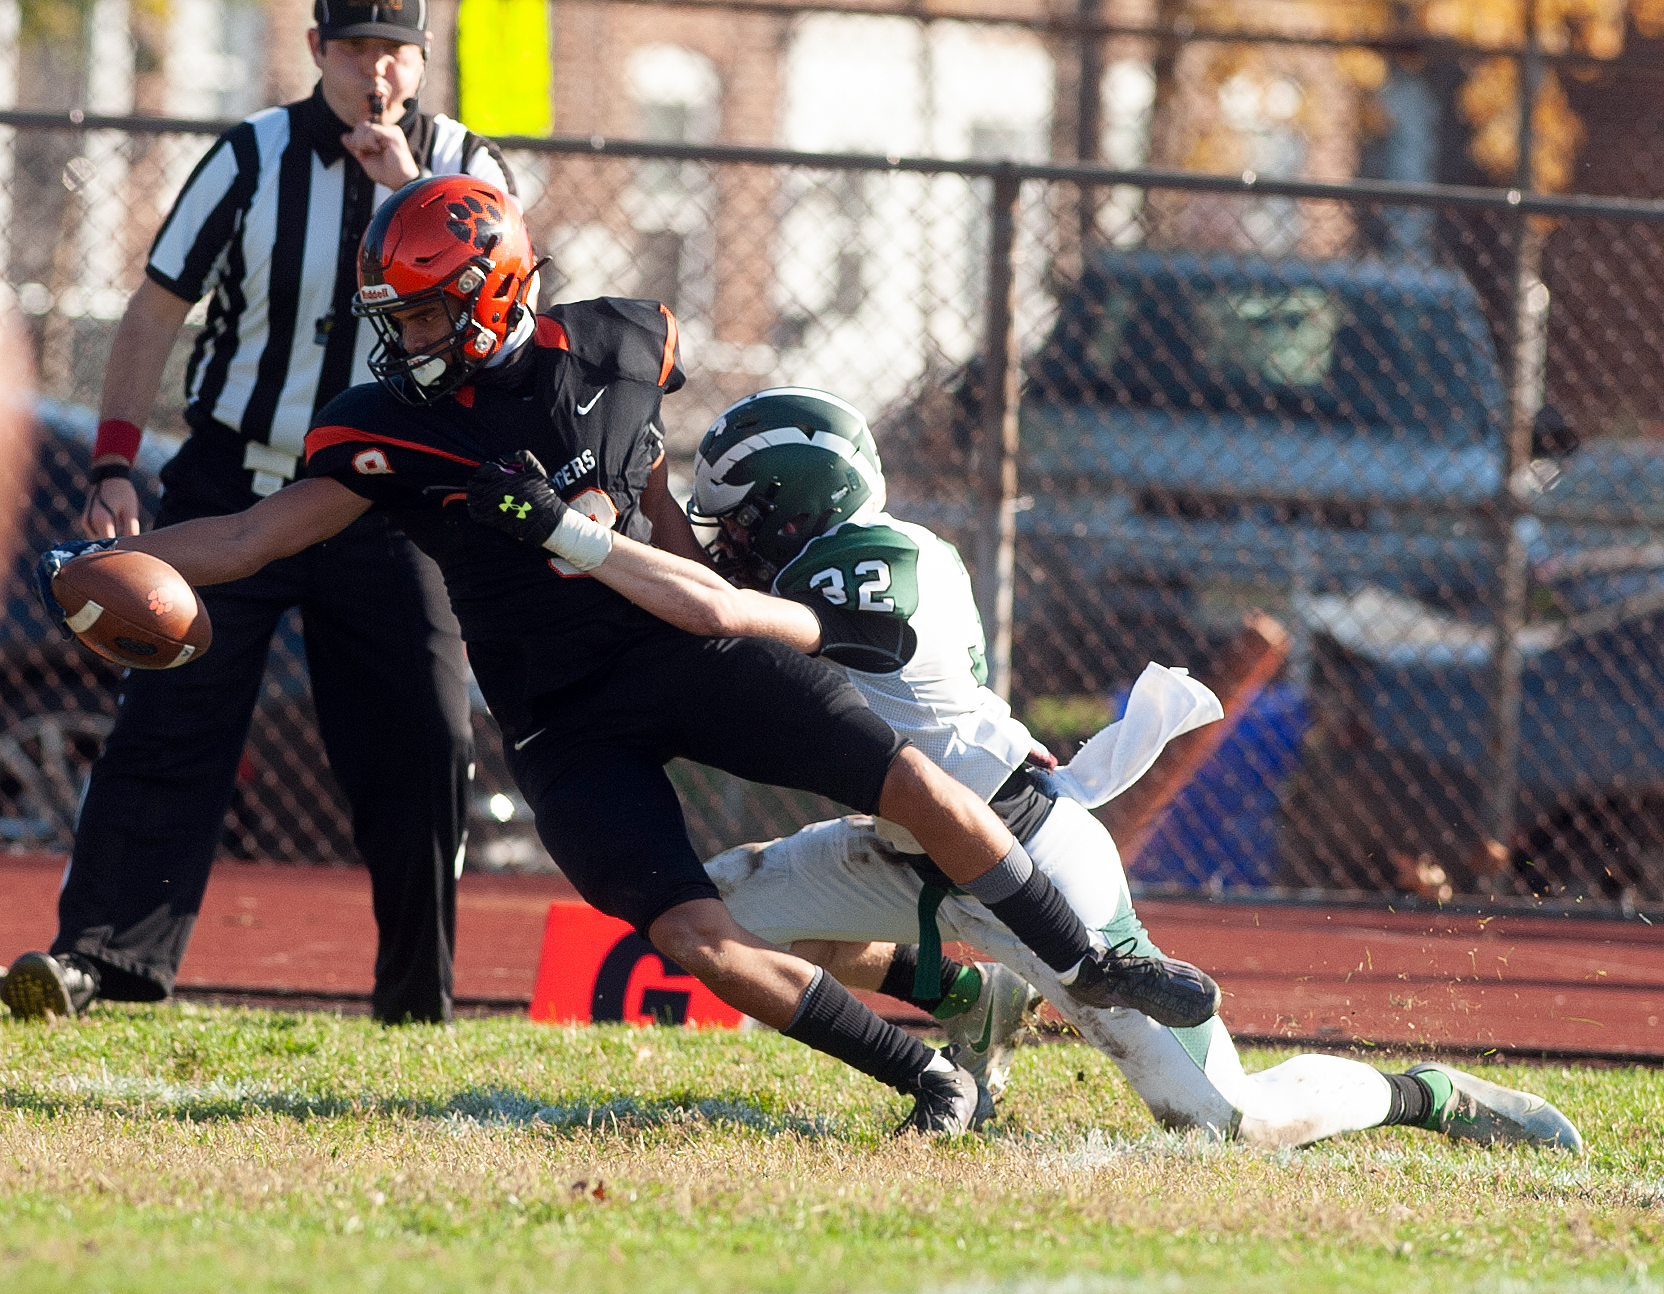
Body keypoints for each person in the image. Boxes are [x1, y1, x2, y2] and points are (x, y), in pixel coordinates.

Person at [29, 175, 1214, 1133]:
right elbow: (246, 535)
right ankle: (926, 1076)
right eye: (397, 316)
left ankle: (1089, 961)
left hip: (672, 651)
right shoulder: (383, 428)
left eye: (429, 312)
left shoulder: (619, 343)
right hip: (561, 718)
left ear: (496, 295)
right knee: (692, 934)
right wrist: (111, 551)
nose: (409, 339)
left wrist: (688, 571)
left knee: (911, 777)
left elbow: (652, 504)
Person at [566, 384, 1582, 1152]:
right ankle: (967, 1000)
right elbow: (707, 594)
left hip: (1025, 858)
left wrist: (590, 536)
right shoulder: (830, 556)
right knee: (715, 917)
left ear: (799, 512)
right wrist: (651, 493)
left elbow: (715, 614)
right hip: (900, 847)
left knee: (1225, 1124)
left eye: (740, 522)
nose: (725, 542)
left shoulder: (875, 560)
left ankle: (1419, 1093)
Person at [1, 0, 516, 1025]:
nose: (375, 70)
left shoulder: (468, 166)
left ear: (420, 64)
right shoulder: (250, 156)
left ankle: (418, 997)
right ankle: (99, 959)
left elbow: (502, 315)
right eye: (355, 47)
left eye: (394, 52)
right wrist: (112, 465)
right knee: (168, 716)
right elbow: (155, 306)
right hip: (236, 479)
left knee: (424, 732)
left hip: (389, 499)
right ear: (317, 49)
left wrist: (404, 193)